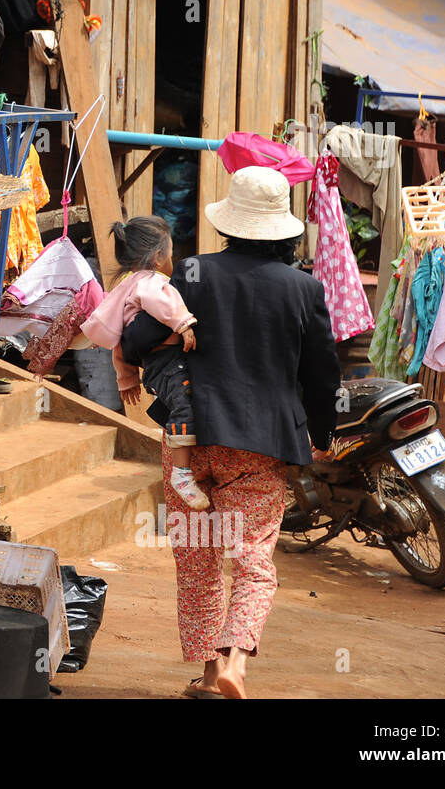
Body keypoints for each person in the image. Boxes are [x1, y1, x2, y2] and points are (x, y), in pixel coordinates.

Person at [120, 166, 340, 699]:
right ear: (283, 231)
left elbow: (139, 336)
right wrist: (323, 433)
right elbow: (322, 372)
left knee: (197, 557)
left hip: (188, 439)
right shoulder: (304, 288)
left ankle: (207, 671)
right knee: (253, 558)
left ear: (229, 224)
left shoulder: (192, 272)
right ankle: (236, 662)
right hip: (261, 445)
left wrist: (149, 357)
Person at [81, 216, 208, 510]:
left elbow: (119, 341)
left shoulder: (128, 286)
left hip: (157, 365)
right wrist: (183, 323)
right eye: (171, 251)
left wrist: (126, 379)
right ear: (158, 256)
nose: (173, 258)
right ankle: (183, 474)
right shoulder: (150, 284)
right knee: (185, 405)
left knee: (181, 404)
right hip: (168, 364)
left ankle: (184, 466)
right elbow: (162, 305)